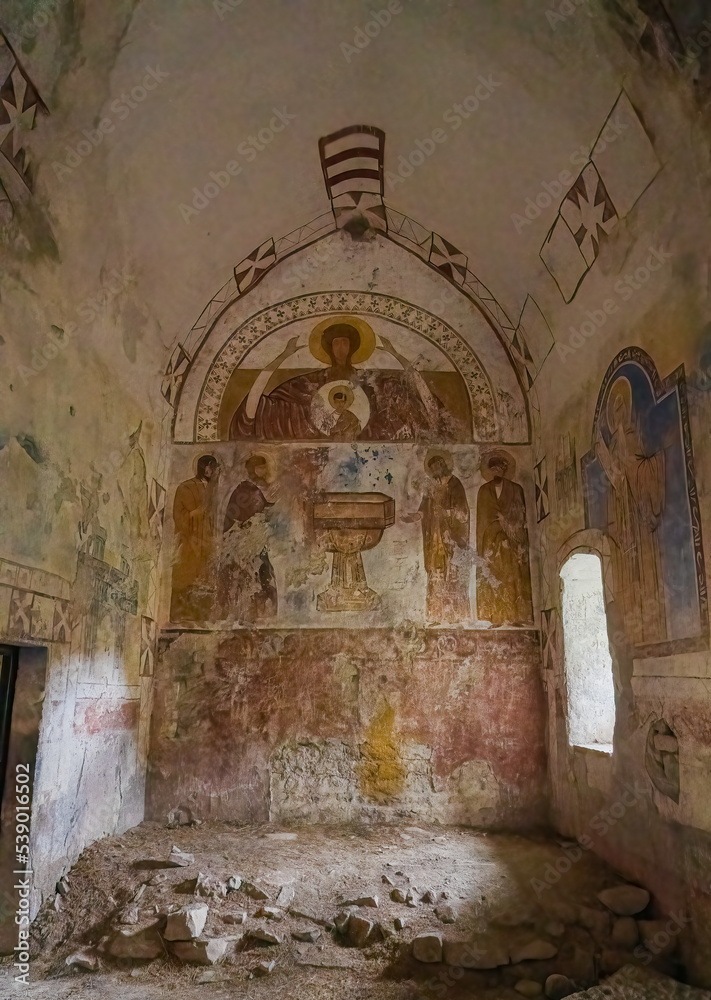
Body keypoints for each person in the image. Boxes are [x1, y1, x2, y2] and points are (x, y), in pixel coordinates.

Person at [230, 322, 446, 441]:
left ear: (352, 348)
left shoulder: (370, 382)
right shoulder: (311, 382)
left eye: (345, 344)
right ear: (329, 348)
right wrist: (284, 355)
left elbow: (414, 401)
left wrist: (395, 354)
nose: (341, 348)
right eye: (336, 344)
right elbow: (268, 407)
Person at [594, 377, 667, 645]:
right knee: (626, 573)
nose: (619, 414)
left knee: (642, 571)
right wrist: (609, 459)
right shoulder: (614, 445)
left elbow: (641, 468)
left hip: (637, 514)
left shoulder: (634, 438)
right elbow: (616, 480)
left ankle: (650, 632)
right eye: (615, 411)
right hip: (623, 518)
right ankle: (633, 634)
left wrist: (627, 471)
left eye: (622, 408)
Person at [404, 452, 471, 623]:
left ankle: (454, 616)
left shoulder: (455, 484)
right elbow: (424, 508)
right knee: (435, 574)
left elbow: (463, 511)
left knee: (452, 574)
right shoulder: (430, 486)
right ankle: (435, 615)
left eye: (438, 466)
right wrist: (415, 516)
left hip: (451, 537)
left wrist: (447, 513)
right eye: (432, 468)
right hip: (434, 537)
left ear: (444, 465)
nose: (436, 470)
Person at [217, 454, 278, 622]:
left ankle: (261, 612)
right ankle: (241, 612)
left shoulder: (262, 488)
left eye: (265, 467)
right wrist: (246, 525)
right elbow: (234, 517)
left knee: (262, 573)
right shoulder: (244, 489)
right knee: (244, 575)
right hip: (242, 541)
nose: (264, 471)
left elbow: (264, 509)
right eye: (261, 467)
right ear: (254, 469)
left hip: (256, 539)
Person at [476, 451, 533, 626]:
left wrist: (506, 522)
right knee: (495, 577)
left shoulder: (516, 490)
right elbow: (483, 520)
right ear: (490, 471)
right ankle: (496, 616)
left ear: (505, 470)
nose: (496, 472)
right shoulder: (484, 491)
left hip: (513, 542)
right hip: (492, 542)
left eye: (500, 469)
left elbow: (520, 516)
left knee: (514, 578)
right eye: (493, 469)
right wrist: (494, 537)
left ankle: (516, 616)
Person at [170, 455, 218, 622]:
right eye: (209, 467)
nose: (212, 471)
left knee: (206, 577)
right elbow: (179, 515)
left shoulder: (215, 488)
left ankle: (202, 615)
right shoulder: (187, 487)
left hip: (208, 540)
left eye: (214, 467)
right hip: (191, 539)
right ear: (202, 467)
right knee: (187, 573)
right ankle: (183, 614)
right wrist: (198, 513)